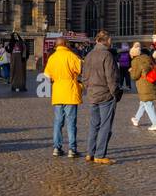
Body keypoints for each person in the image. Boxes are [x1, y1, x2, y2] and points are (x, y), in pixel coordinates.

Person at [81, 31, 119, 162]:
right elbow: (111, 77)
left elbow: (84, 77)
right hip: (105, 95)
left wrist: (89, 89)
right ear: (107, 41)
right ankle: (100, 155)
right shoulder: (107, 55)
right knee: (105, 125)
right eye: (110, 40)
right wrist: (115, 93)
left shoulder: (89, 54)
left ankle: (89, 153)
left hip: (92, 95)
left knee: (94, 125)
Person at [43, 36, 83, 158]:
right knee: (71, 122)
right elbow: (79, 70)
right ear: (66, 44)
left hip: (58, 92)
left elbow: (47, 76)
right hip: (70, 91)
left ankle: (57, 147)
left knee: (58, 122)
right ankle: (72, 149)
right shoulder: (72, 56)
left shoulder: (52, 58)